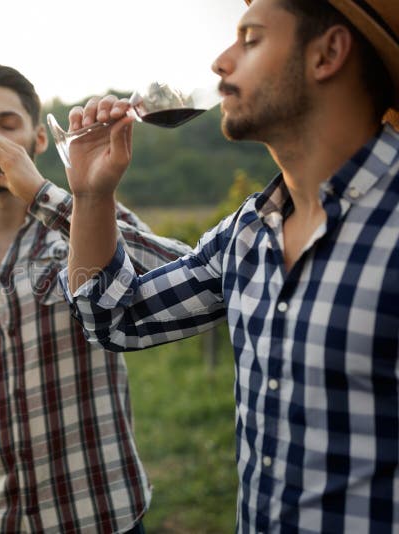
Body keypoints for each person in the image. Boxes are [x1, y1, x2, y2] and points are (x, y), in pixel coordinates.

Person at [61, 0, 399, 531]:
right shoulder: (246, 234)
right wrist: (90, 195)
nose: (221, 61)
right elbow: (113, 319)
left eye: (250, 39)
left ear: (327, 53)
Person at [0, 62, 192, 533]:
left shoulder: (88, 216)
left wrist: (48, 194)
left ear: (39, 139)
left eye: (6, 123)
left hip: (100, 511)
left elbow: (174, 276)